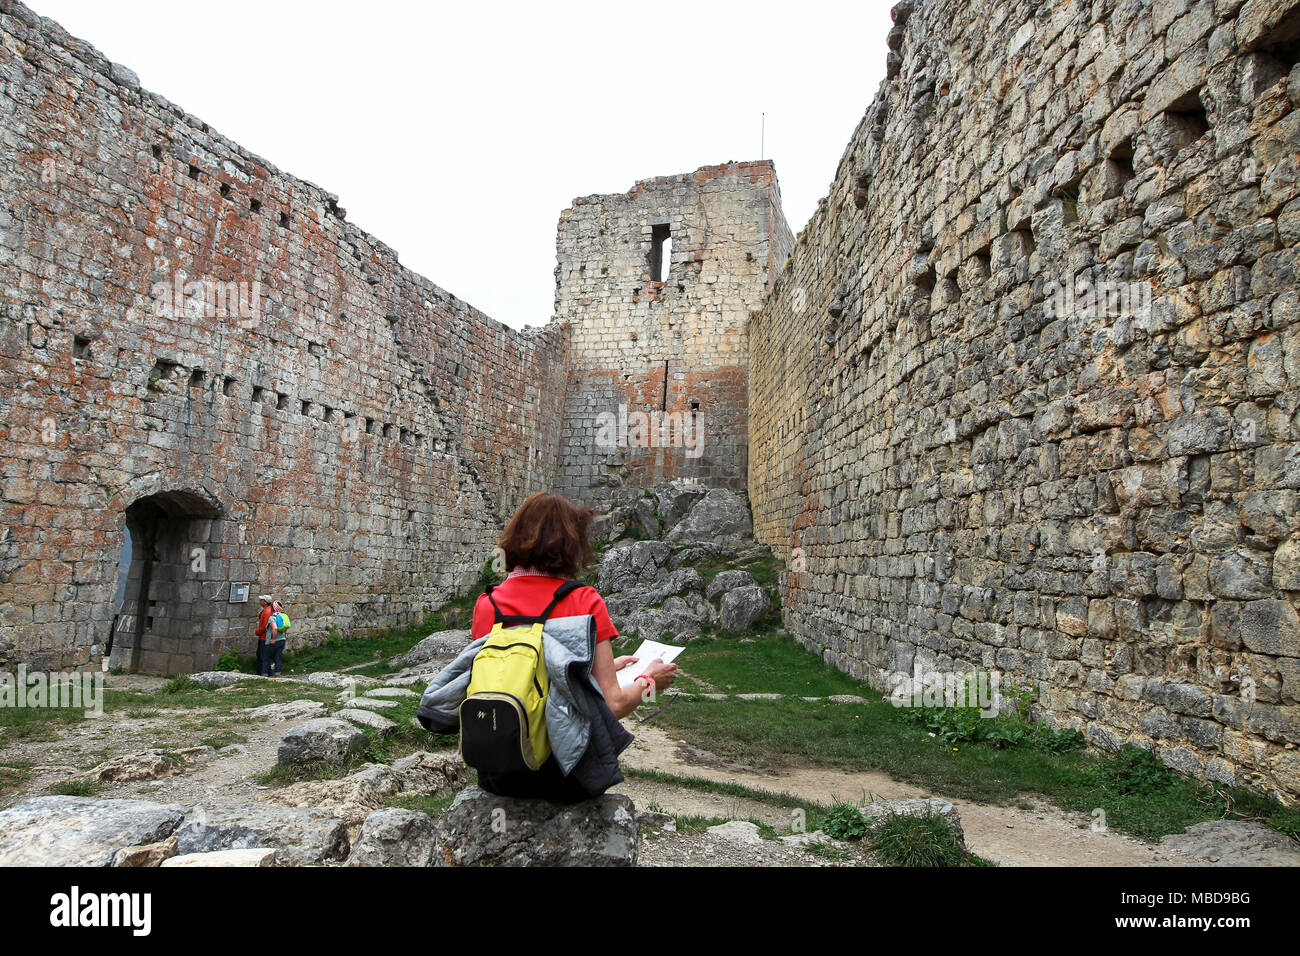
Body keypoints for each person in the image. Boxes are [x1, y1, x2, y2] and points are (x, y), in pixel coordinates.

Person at [468, 492, 676, 799]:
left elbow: (520, 677)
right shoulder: (583, 601)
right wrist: (650, 683)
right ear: (571, 543)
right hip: (563, 778)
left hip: (498, 775)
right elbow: (614, 705)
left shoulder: (488, 603)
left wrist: (592, 671)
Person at [255, 595, 275, 675]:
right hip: (265, 636)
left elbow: (265, 626)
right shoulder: (268, 610)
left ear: (265, 602)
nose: (260, 601)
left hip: (264, 637)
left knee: (262, 656)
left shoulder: (267, 612)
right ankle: (266, 672)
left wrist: (258, 632)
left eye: (261, 600)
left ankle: (264, 673)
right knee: (263, 655)